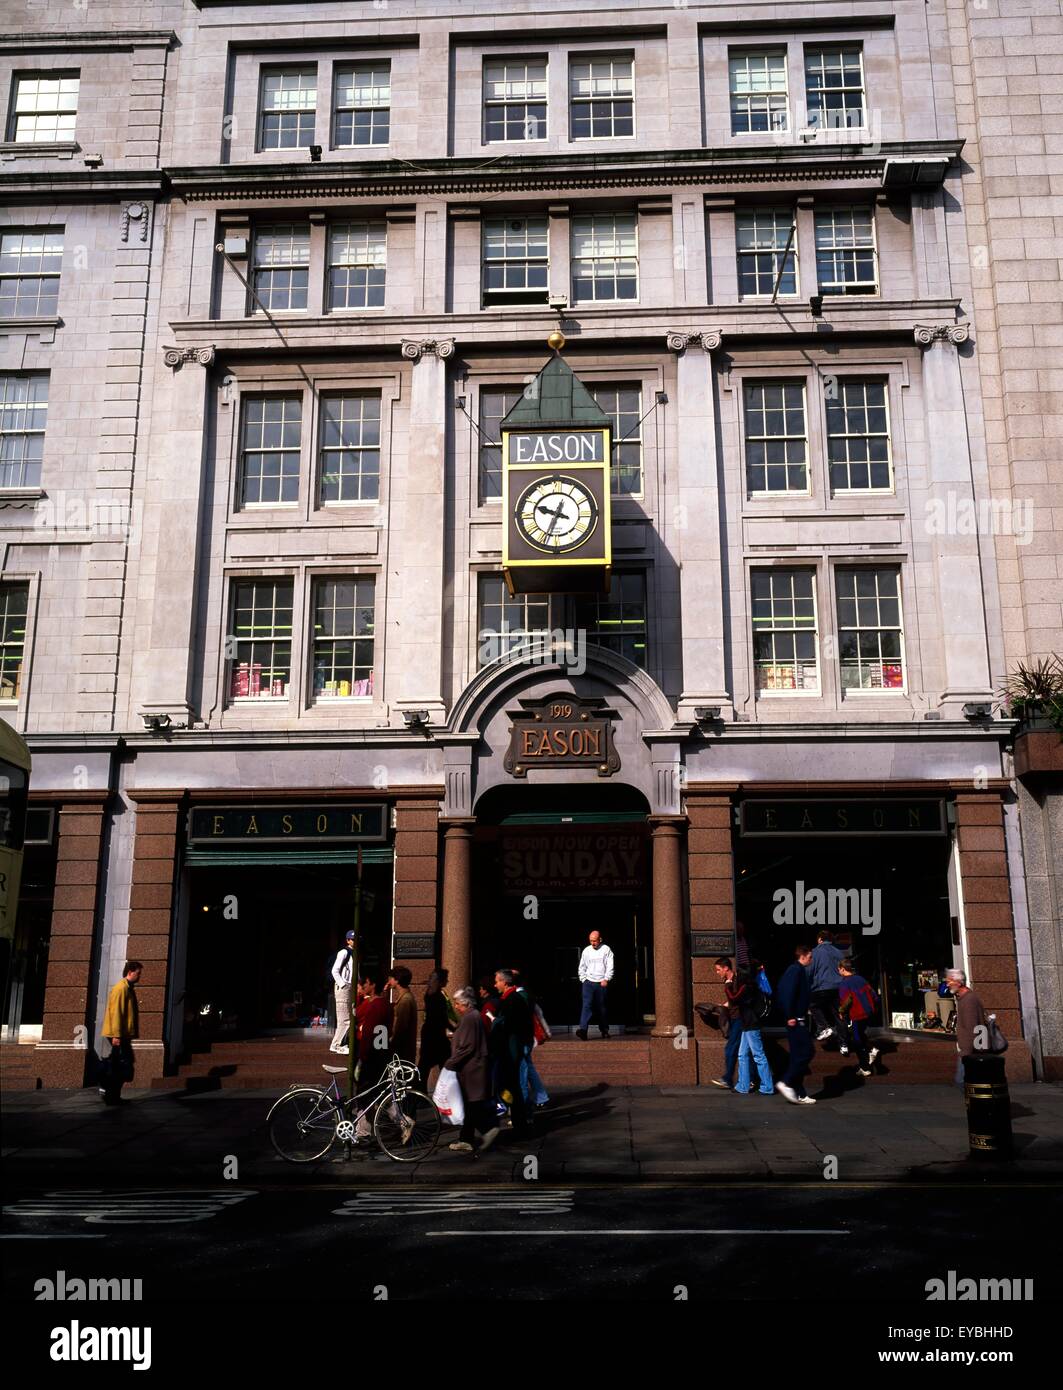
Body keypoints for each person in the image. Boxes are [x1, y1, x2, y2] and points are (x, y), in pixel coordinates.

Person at [445, 986, 502, 1155]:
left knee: (471, 1106)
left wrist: (451, 1062)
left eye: (457, 1003)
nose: (455, 1006)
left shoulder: (470, 1017)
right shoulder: (472, 1016)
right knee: (471, 1106)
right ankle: (467, 1139)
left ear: (465, 1003)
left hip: (472, 1071)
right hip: (473, 1070)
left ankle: (485, 1130)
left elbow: (468, 1046)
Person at [490, 968, 534, 1137]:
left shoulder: (512, 1000)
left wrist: (495, 1023)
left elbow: (508, 1027)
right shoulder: (512, 999)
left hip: (510, 1052)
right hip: (510, 1051)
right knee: (511, 1088)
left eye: (497, 981)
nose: (495, 985)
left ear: (505, 982)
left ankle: (519, 1121)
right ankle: (519, 1120)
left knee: (511, 1088)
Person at [775, 945, 817, 1105]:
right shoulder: (796, 970)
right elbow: (787, 993)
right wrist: (790, 1016)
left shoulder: (798, 970)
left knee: (797, 1056)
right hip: (796, 1020)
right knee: (807, 1052)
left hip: (797, 1018)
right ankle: (786, 1082)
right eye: (810, 957)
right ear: (803, 956)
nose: (811, 960)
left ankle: (799, 1093)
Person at [353, 974, 393, 1139]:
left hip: (371, 1054)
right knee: (376, 1093)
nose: (361, 987)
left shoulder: (374, 1005)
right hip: (378, 1052)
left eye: (364, 984)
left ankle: (363, 1131)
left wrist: (365, 1056)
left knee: (366, 1093)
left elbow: (368, 1030)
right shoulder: (381, 1003)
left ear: (372, 984)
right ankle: (364, 1128)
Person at [725, 964, 774, 1096]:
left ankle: (767, 1086)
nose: (736, 975)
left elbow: (734, 998)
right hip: (747, 1024)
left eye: (738, 973)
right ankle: (743, 1086)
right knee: (742, 1055)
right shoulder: (750, 986)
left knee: (758, 1055)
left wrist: (728, 984)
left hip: (751, 1025)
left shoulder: (747, 987)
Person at [100, 961, 141, 1106]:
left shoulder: (127, 988)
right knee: (120, 1066)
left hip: (122, 1034)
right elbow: (116, 1013)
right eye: (138, 973)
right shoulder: (121, 989)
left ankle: (113, 1096)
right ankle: (110, 1095)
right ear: (130, 972)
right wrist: (116, 1035)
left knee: (120, 1066)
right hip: (117, 1034)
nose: (139, 976)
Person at [511, 968, 550, 1108]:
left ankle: (524, 1104)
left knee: (523, 1070)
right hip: (526, 1036)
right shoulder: (525, 994)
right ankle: (541, 1097)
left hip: (522, 1037)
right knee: (528, 1067)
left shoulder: (520, 995)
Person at [944, 967, 989, 1087]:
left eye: (949, 981)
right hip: (971, 1050)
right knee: (969, 1083)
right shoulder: (963, 998)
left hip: (971, 1051)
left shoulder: (968, 1000)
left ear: (958, 982)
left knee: (962, 1082)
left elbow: (971, 1027)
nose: (947, 984)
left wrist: (967, 1052)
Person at [837, 958, 881, 1077]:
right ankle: (871, 1050)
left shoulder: (844, 983)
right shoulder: (861, 979)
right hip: (868, 1012)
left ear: (843, 969)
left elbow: (846, 1001)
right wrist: (874, 1006)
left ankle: (865, 1067)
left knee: (857, 1041)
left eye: (839, 969)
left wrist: (841, 1012)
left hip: (856, 1014)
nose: (838, 971)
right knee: (860, 1034)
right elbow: (873, 994)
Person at [807, 930, 847, 1049]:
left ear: (820, 939)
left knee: (812, 1004)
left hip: (820, 988)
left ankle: (823, 1027)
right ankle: (844, 1044)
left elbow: (809, 971)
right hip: (837, 988)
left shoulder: (814, 952)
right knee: (839, 1016)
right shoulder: (839, 953)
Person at [710, 956, 744, 1090]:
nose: (717, 972)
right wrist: (723, 1005)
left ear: (726, 968)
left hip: (740, 1019)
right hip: (736, 1018)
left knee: (731, 1048)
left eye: (719, 970)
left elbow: (736, 998)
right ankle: (748, 1078)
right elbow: (733, 1000)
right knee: (743, 1050)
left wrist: (728, 985)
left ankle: (727, 1079)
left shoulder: (734, 981)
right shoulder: (730, 980)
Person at [419, 969, 453, 1097]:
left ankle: (420, 1094)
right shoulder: (439, 997)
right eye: (445, 979)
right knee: (447, 1066)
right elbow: (443, 1019)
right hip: (437, 1036)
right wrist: (455, 1028)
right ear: (440, 981)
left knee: (424, 1067)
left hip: (429, 1034)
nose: (447, 981)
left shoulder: (429, 994)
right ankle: (449, 1093)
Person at [576, 930, 614, 1040]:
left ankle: (604, 1030)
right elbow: (582, 966)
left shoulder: (606, 949)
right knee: (586, 1005)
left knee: (601, 1007)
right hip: (588, 982)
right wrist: (583, 979)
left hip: (601, 983)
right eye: (591, 941)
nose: (593, 943)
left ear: (600, 940)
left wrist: (606, 978)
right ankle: (583, 1030)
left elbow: (610, 965)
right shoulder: (586, 951)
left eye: (595, 941)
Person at [330, 930, 356, 1054]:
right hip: (344, 988)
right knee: (344, 1019)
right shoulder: (344, 952)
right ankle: (336, 1044)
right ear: (347, 940)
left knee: (349, 1018)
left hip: (351, 987)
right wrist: (343, 984)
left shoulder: (355, 954)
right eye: (352, 939)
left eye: (356, 939)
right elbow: (334, 970)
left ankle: (341, 1043)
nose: (355, 942)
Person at [387, 966, 418, 1067]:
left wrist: (392, 1045)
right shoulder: (405, 998)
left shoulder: (405, 1001)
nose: (389, 981)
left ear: (397, 980)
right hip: (404, 1051)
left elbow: (400, 1028)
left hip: (402, 1052)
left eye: (391, 978)